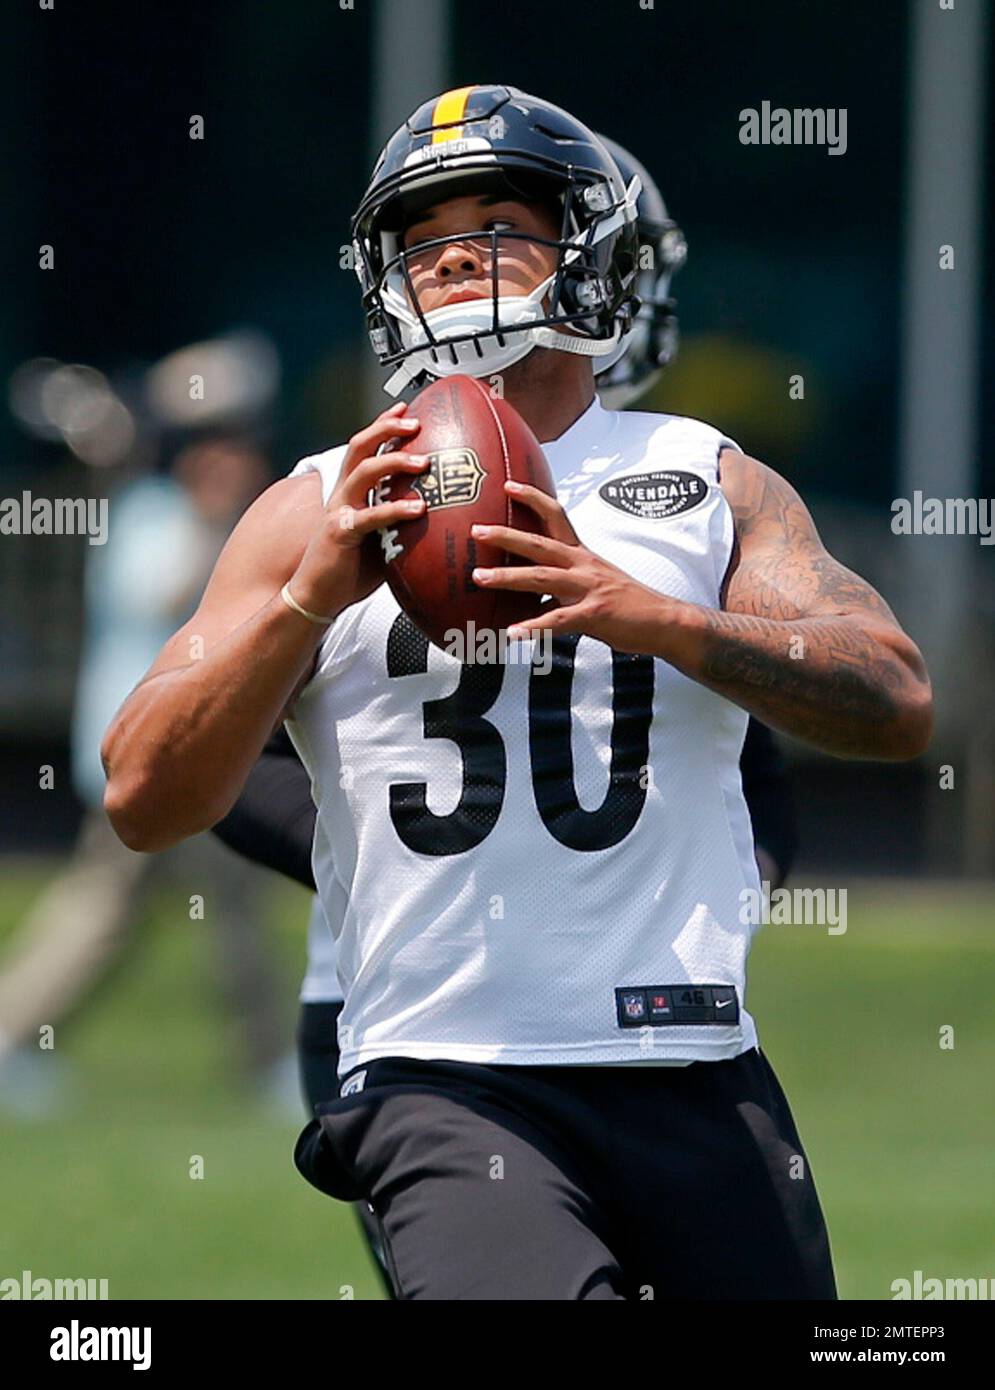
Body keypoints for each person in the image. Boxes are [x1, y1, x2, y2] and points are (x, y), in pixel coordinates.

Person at [102, 86, 932, 1300]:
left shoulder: (702, 477)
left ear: (584, 252)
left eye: (499, 223)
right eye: (426, 238)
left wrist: (660, 618)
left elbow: (896, 698)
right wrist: (305, 602)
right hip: (445, 1075)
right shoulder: (315, 501)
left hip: (695, 1061)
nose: (457, 259)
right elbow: (141, 792)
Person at [0, 436, 285, 1111]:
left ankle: (272, 1061)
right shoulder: (148, 517)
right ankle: (13, 1043)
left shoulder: (235, 521)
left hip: (209, 756)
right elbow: (164, 602)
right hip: (145, 761)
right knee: (107, 911)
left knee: (222, 912)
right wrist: (212, 522)